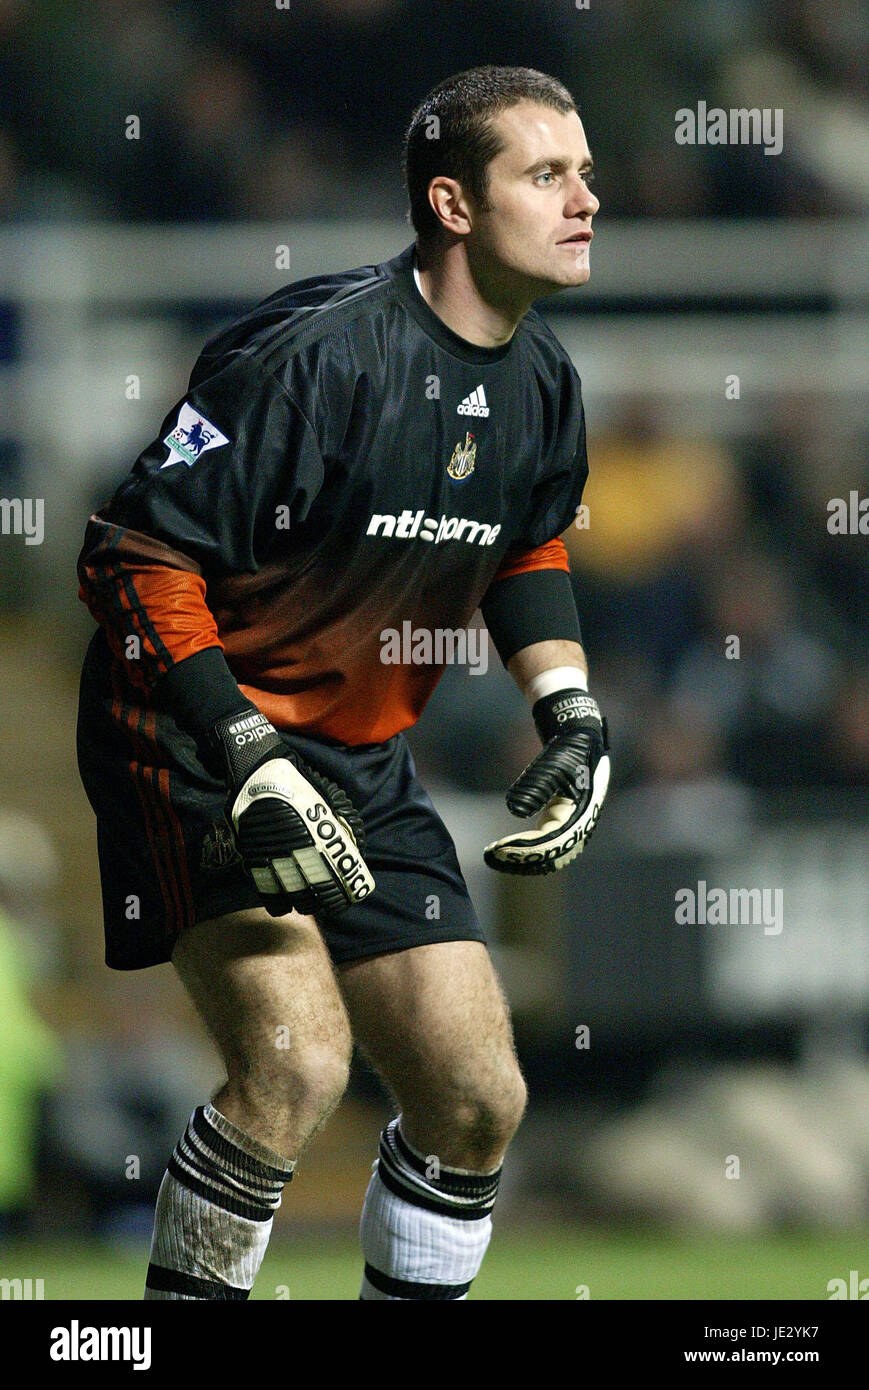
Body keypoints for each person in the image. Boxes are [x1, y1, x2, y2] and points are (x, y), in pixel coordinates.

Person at [76, 65, 610, 1301]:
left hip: (359, 758)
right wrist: (245, 751)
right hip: (193, 731)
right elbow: (134, 552)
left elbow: (525, 543)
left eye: (583, 171)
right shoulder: (312, 355)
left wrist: (569, 711)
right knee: (296, 1065)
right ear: (453, 203)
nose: (588, 197)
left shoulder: (542, 382)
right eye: (548, 174)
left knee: (477, 1099)